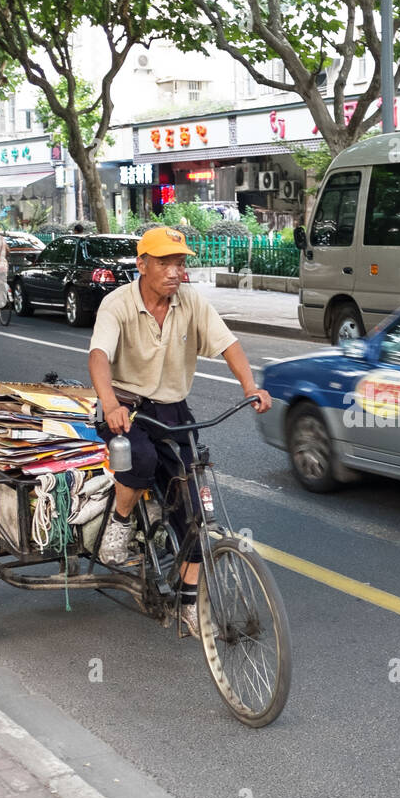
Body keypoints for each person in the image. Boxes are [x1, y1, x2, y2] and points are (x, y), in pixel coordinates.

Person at [88, 226, 270, 637]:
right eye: (165, 262)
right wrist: (111, 404)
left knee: (195, 511)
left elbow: (229, 345)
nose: (175, 271)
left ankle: (188, 604)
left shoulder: (191, 303)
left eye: (180, 262)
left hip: (173, 409)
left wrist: (250, 386)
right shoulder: (116, 304)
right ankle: (118, 523)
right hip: (127, 408)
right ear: (142, 264)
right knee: (142, 458)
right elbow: (99, 355)